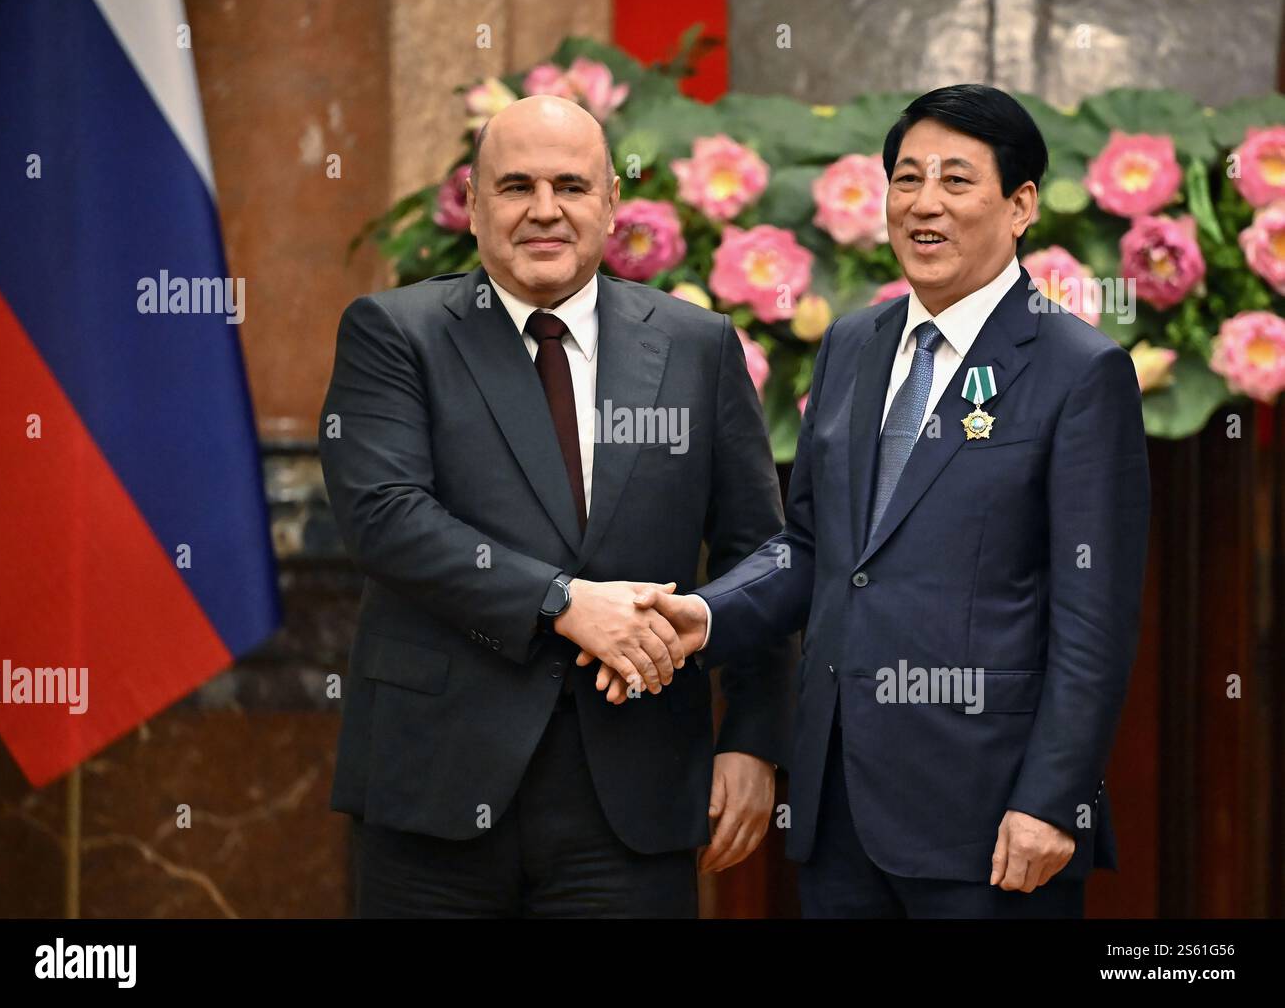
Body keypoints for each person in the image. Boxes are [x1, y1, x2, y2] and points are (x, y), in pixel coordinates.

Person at [624, 84, 1151, 918]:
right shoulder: (852, 345)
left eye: (955, 180)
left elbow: (1097, 616)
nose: (923, 204)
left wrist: (1053, 798)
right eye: (907, 179)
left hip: (991, 814)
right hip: (841, 807)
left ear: (1020, 207)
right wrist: (709, 614)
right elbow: (811, 547)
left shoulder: (1077, 371)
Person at [319, 94, 793, 918]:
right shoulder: (397, 334)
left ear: (612, 202)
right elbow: (384, 516)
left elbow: (765, 557)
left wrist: (754, 739)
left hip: (631, 801)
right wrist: (563, 604)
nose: (546, 210)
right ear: (473, 205)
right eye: (516, 187)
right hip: (435, 793)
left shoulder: (698, 346)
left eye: (572, 186)